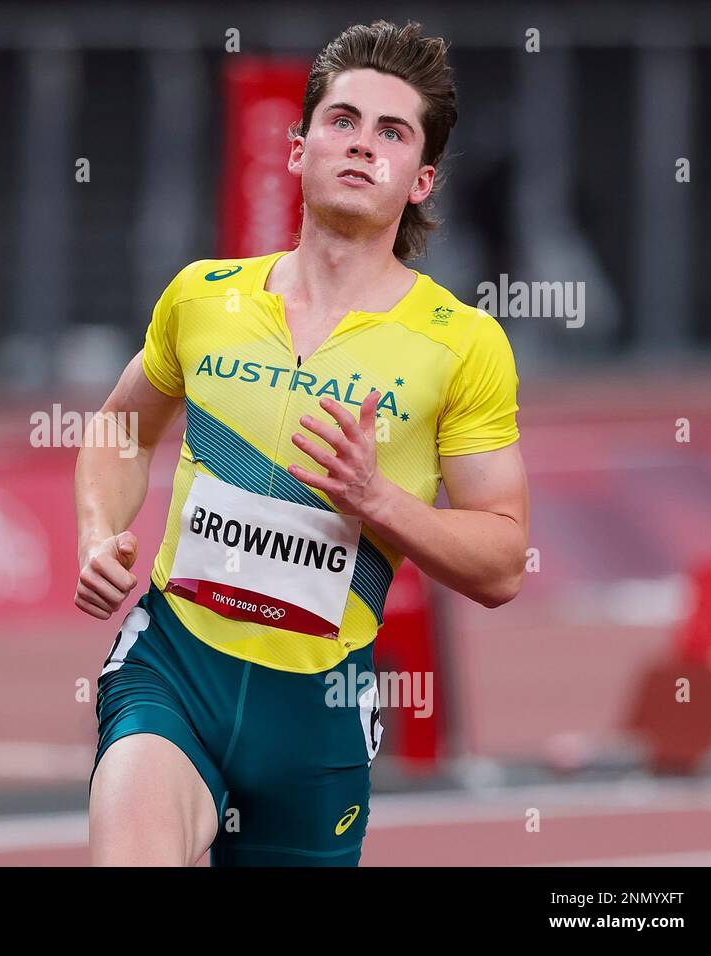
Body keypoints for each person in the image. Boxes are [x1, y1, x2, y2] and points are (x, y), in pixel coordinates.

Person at [76, 21, 529, 866]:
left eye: (392, 133)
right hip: (174, 668)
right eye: (343, 121)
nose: (362, 145)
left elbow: (503, 562)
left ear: (421, 179)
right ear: (298, 148)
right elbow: (118, 427)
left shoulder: (460, 344)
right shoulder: (203, 297)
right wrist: (99, 532)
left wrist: (379, 500)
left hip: (319, 710)